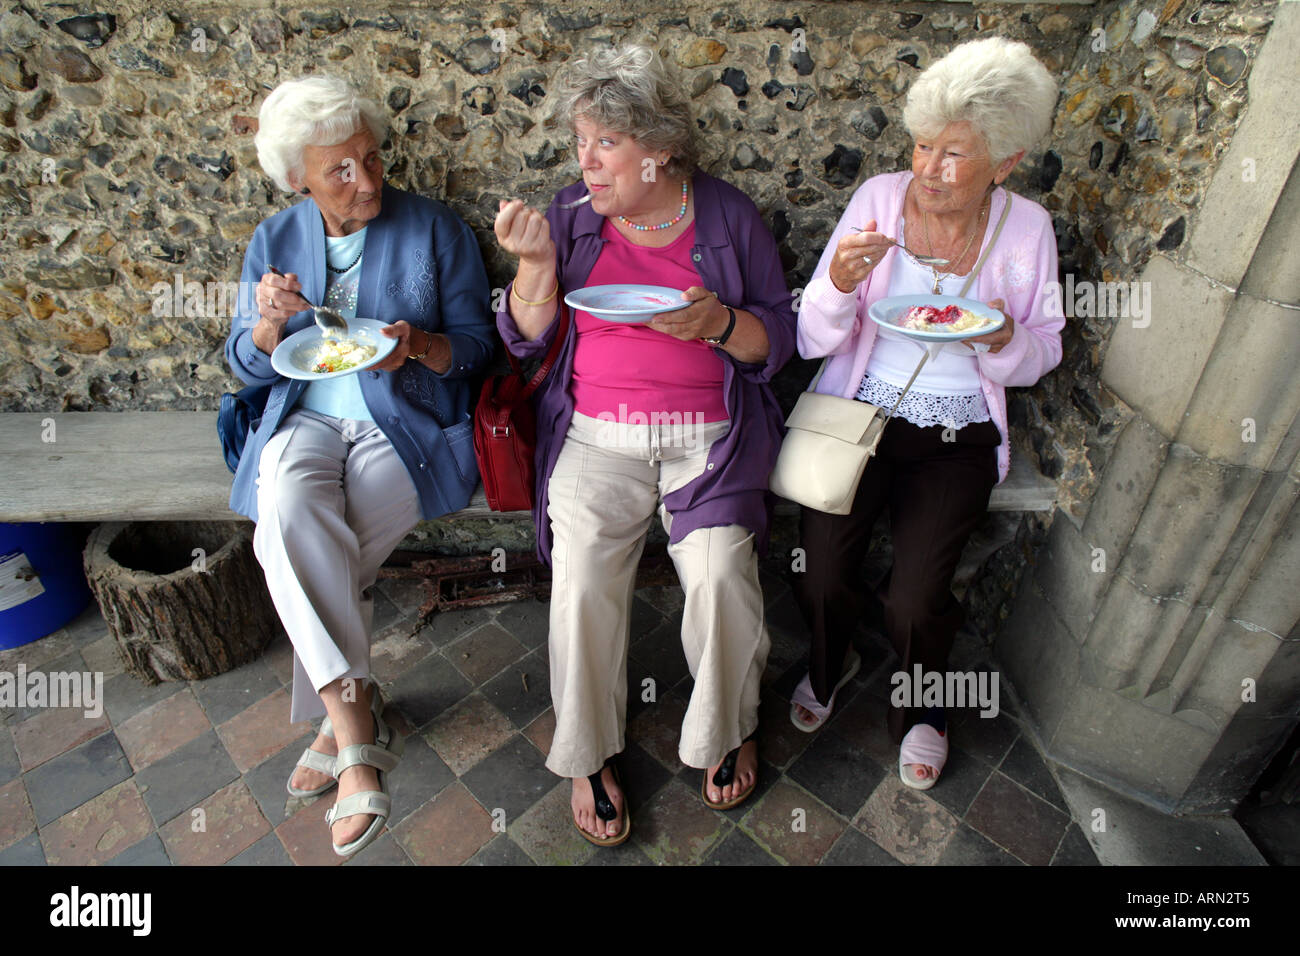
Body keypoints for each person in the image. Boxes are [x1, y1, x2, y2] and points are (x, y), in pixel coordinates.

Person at [493, 44, 795, 845]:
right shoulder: (568, 216)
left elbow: (778, 341)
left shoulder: (727, 217)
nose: (584, 162)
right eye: (580, 141)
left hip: (707, 439)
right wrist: (532, 267)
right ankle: (589, 752)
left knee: (723, 572)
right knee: (583, 573)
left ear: (658, 150)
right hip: (598, 434)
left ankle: (726, 727)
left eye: (605, 144)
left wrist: (719, 324)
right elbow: (528, 342)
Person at [224, 75, 494, 855]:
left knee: (299, 546)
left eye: (371, 160)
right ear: (295, 178)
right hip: (302, 418)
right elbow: (246, 367)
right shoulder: (273, 241)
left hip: (402, 428)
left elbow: (477, 348)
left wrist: (420, 346)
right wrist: (268, 330)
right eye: (340, 169)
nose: (367, 181)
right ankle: (355, 735)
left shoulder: (434, 228)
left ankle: (344, 728)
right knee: (286, 511)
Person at [790, 37, 1064, 790]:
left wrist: (1004, 335)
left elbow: (1046, 347)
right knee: (820, 574)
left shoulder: (1027, 229)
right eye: (921, 146)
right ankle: (829, 658)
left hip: (957, 434)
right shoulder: (877, 199)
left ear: (1004, 163)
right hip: (861, 414)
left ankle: (923, 706)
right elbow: (813, 335)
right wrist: (840, 284)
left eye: (954, 155)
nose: (928, 170)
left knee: (916, 598)